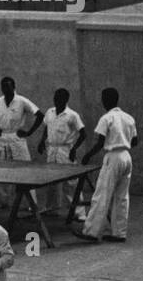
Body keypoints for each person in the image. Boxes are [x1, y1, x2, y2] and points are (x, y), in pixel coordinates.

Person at [77, 88, 137, 243]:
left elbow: (100, 142)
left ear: (106, 100)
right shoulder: (129, 118)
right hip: (126, 157)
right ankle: (119, 233)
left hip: (113, 157)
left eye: (103, 99)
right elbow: (135, 141)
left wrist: (88, 155)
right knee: (122, 196)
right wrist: (123, 141)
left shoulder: (106, 118)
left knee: (102, 195)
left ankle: (92, 232)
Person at [0, 76, 44, 208]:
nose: (6, 89)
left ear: (14, 87)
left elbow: (40, 115)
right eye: (3, 86)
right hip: (3, 137)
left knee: (25, 170)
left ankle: (32, 203)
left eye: (8, 86)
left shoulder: (22, 101)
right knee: (1, 170)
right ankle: (3, 200)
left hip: (17, 138)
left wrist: (29, 132)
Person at [36, 88, 86, 217]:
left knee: (71, 182)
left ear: (66, 100)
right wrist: (42, 141)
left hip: (65, 150)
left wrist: (74, 149)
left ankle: (79, 212)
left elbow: (83, 134)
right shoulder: (49, 112)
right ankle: (51, 207)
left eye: (60, 99)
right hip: (52, 149)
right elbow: (46, 127)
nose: (57, 101)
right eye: (55, 98)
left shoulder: (72, 115)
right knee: (51, 181)